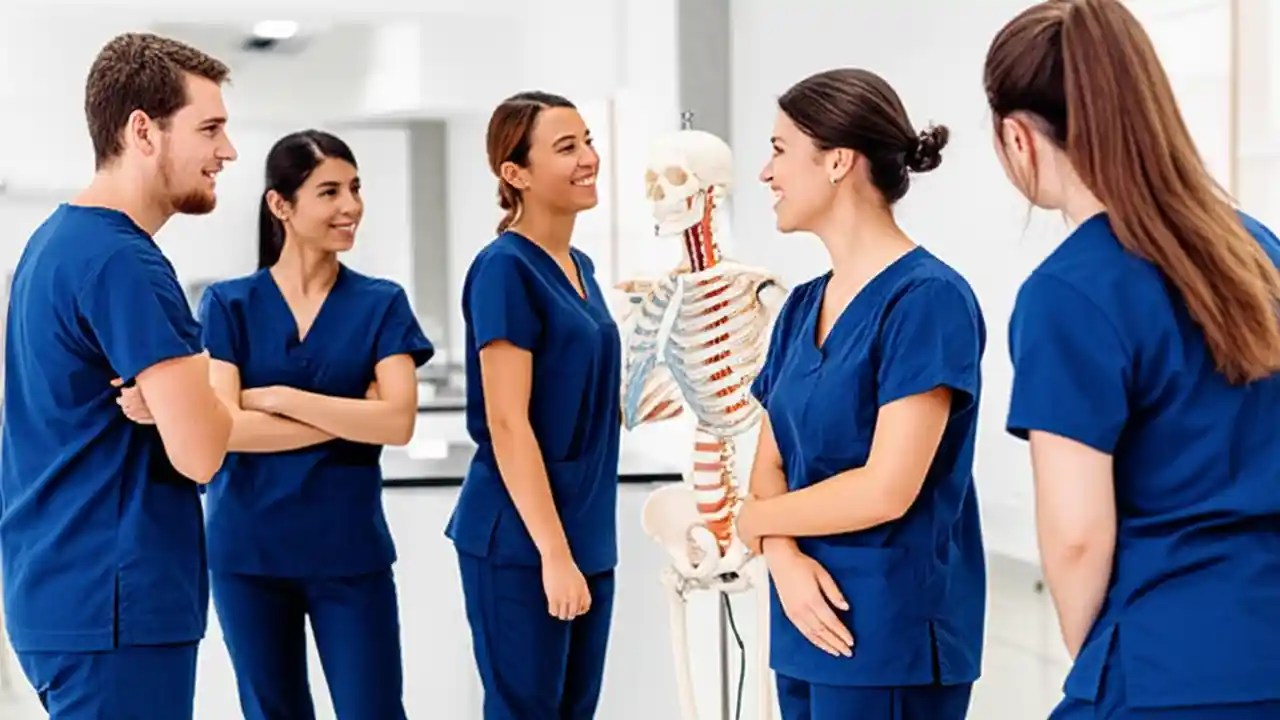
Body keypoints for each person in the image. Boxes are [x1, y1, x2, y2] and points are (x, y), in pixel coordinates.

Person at [985, 1, 1280, 718]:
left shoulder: (1067, 295)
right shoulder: (1257, 252)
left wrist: (1103, 670)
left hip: (1165, 669)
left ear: (1018, 138)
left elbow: (1079, 538)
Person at [734, 68, 986, 720]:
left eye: (780, 149)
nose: (766, 172)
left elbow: (886, 488)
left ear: (839, 160)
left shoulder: (927, 301)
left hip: (886, 631)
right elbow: (769, 467)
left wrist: (758, 523)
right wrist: (783, 558)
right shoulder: (800, 307)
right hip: (801, 617)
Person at [0, 32, 236, 718]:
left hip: (61, 590)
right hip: (114, 602)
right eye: (211, 128)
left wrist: (173, 400)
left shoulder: (55, 241)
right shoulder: (124, 263)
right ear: (143, 130)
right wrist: (216, 379)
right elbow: (201, 452)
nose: (228, 151)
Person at [188, 129, 433, 720]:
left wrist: (277, 396)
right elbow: (224, 430)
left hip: (348, 551)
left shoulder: (382, 303)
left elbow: (398, 422)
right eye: (329, 192)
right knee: (273, 712)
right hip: (248, 553)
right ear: (282, 205)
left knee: (373, 711)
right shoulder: (228, 304)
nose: (350, 206)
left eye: (354, 188)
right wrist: (353, 414)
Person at [445, 90, 620, 719]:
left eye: (589, 141)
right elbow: (506, 420)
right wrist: (553, 553)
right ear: (515, 174)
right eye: (566, 147)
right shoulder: (504, 270)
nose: (588, 159)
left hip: (589, 535)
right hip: (522, 543)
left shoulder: (580, 267)